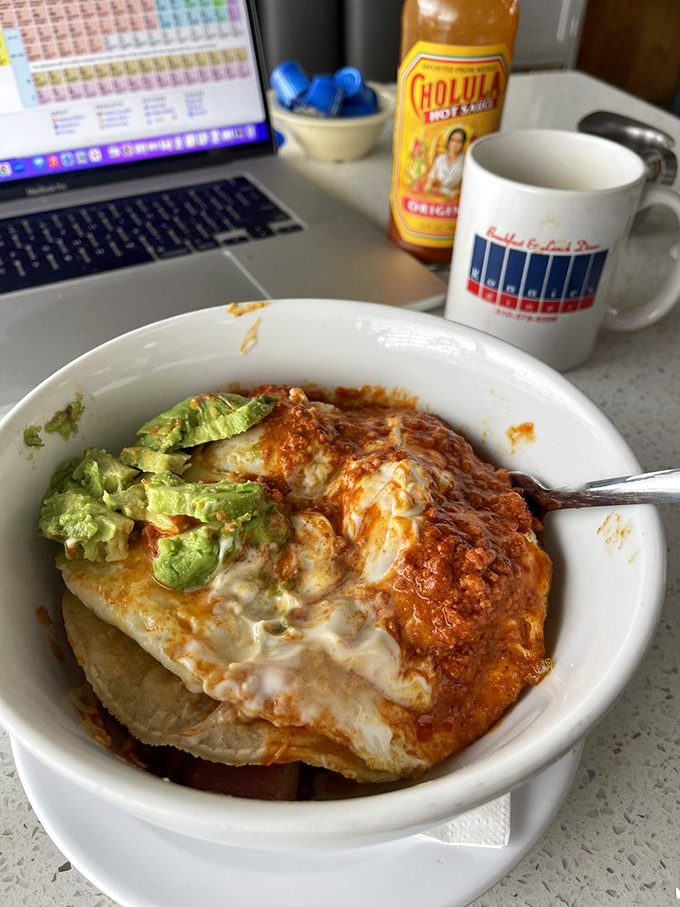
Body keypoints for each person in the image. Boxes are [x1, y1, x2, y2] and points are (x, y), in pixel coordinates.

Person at [423, 127, 467, 196]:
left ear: (462, 144)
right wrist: (429, 184)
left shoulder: (465, 161)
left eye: (459, 142)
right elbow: (432, 175)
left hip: (455, 196)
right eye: (453, 140)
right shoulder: (440, 159)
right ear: (448, 142)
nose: (455, 144)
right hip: (437, 193)